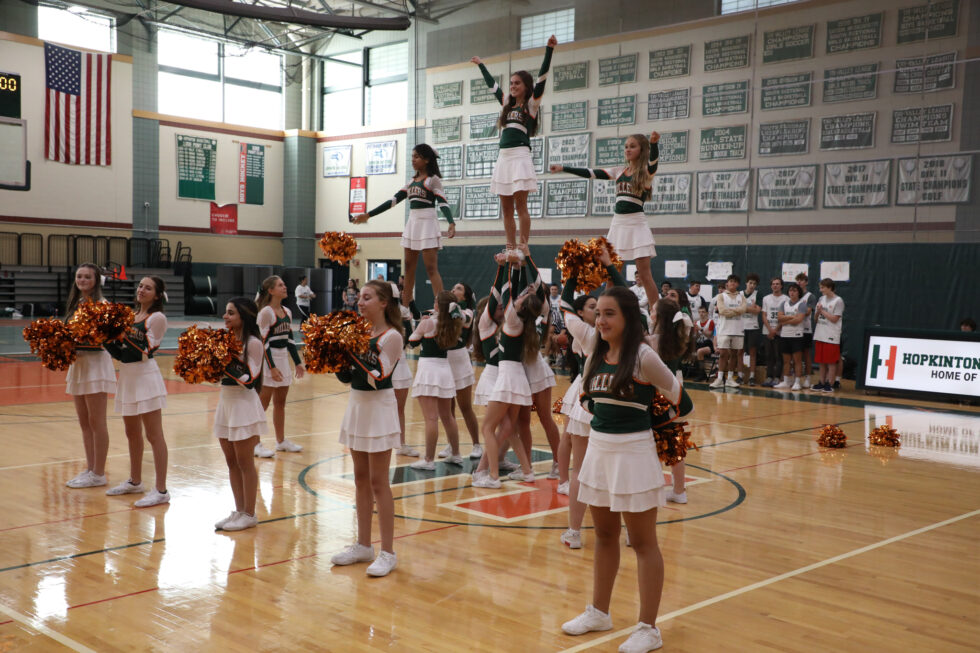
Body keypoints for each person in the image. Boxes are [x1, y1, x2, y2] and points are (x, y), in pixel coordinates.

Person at [560, 286, 680, 653]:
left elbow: (678, 399)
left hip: (634, 454)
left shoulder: (643, 356)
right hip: (599, 451)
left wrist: (654, 428)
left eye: (609, 313)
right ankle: (599, 611)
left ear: (628, 318)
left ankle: (649, 628)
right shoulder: (594, 353)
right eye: (599, 314)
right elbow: (589, 401)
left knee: (643, 543)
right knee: (605, 535)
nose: (601, 320)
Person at [329, 280, 404, 577]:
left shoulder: (392, 336)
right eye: (359, 297)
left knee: (378, 482)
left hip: (379, 408)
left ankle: (387, 551)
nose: (359, 302)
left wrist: (351, 349)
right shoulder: (361, 333)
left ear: (384, 302)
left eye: (367, 297)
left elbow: (380, 375)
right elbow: (349, 379)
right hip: (357, 405)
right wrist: (335, 356)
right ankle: (363, 545)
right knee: (360, 479)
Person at [550, 131, 662, 307]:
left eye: (632, 146)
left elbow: (654, 163)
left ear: (642, 149)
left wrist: (654, 144)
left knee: (645, 274)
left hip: (637, 223)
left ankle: (658, 314)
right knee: (610, 274)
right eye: (626, 146)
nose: (628, 149)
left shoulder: (646, 172)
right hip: (618, 224)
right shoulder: (619, 171)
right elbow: (592, 173)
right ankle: (603, 310)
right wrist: (564, 168)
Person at [472, 35, 557, 252]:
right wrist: (482, 65)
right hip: (504, 158)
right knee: (506, 208)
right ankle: (510, 246)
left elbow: (542, 78)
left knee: (521, 206)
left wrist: (549, 50)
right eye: (511, 83)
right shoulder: (506, 105)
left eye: (517, 83)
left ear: (526, 86)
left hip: (520, 156)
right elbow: (492, 86)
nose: (512, 86)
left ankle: (523, 244)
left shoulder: (531, 105)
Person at [353, 144, 456, 310]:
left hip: (428, 221)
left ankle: (440, 307)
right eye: (412, 156)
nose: (413, 159)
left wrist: (451, 222)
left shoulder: (433, 180)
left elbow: (443, 202)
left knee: (431, 268)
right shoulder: (410, 182)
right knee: (409, 267)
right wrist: (368, 215)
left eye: (416, 156)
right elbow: (392, 201)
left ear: (427, 159)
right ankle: (405, 308)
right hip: (413, 222)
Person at [104, 276, 170, 507]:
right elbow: (123, 354)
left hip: (146, 377)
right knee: (131, 432)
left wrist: (121, 333)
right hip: (128, 376)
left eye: (148, 288)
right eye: (141, 286)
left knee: (154, 434)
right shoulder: (131, 316)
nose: (142, 290)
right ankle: (135, 482)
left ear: (157, 295)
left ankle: (161, 490)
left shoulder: (157, 317)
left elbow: (146, 349)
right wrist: (106, 337)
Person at [476, 253, 540, 487]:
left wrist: (507, 267)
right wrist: (520, 265)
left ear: (519, 308)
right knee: (508, 428)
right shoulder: (525, 322)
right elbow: (515, 294)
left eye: (519, 302)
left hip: (506, 379)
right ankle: (527, 471)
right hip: (516, 379)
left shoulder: (512, 320)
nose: (514, 303)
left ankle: (492, 476)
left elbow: (506, 291)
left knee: (487, 427)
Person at [213, 297, 267, 532]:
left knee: (245, 463)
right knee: (231, 462)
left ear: (244, 316)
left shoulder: (254, 343)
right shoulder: (224, 340)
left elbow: (250, 379)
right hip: (226, 402)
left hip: (244, 405)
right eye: (226, 312)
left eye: (231, 313)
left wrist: (225, 360)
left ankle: (250, 513)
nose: (226, 316)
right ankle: (238, 510)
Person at [64, 263, 116, 489]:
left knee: (97, 422)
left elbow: (106, 339)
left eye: (87, 277)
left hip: (96, 364)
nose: (82, 280)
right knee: (84, 422)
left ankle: (99, 473)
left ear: (96, 281)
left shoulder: (102, 305)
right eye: (79, 276)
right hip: (79, 364)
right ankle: (90, 468)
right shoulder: (77, 303)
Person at [407, 290, 464, 469]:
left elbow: (412, 342)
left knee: (431, 418)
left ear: (440, 305)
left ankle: (429, 460)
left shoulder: (428, 323)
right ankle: (456, 454)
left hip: (428, 370)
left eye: (436, 301)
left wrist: (420, 324)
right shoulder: (454, 322)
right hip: (444, 370)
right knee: (447, 417)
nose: (434, 303)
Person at [255, 276, 305, 457]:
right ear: (270, 291)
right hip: (269, 360)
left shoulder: (288, 311)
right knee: (263, 404)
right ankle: (255, 443)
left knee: (280, 403)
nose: (285, 287)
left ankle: (281, 441)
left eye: (284, 284)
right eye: (280, 285)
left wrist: (298, 362)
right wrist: (272, 367)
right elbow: (263, 342)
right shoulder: (265, 313)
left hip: (283, 358)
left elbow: (290, 340)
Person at [441, 282, 483, 460]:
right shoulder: (445, 310)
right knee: (447, 409)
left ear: (465, 296)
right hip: (444, 360)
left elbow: (462, 319)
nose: (453, 290)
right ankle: (452, 444)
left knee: (465, 407)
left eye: (458, 288)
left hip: (459, 360)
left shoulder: (468, 312)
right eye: (453, 288)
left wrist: (452, 308)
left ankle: (476, 445)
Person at [709, 274, 746, 389]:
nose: (733, 283)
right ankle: (719, 378)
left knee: (734, 354)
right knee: (723, 354)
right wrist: (736, 311)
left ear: (738, 284)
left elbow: (743, 309)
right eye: (731, 281)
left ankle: (730, 378)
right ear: (727, 283)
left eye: (735, 282)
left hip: (738, 330)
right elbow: (722, 310)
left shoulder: (742, 297)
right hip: (724, 329)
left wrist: (730, 311)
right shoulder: (721, 296)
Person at [392, 302, 419, 457]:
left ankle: (401, 444)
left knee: (399, 408)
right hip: (382, 367)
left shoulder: (401, 317)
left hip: (400, 364)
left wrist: (406, 320)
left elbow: (410, 343)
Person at [812, 279, 844, 393]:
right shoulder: (821, 299)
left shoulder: (838, 301)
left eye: (823, 288)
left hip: (831, 335)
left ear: (829, 288)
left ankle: (830, 384)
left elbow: (835, 319)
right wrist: (817, 312)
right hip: (820, 333)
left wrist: (822, 311)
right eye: (820, 287)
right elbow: (815, 319)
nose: (820, 290)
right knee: (821, 361)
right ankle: (821, 382)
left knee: (831, 362)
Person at [775, 283, 807, 390]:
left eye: (794, 290)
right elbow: (779, 318)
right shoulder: (783, 304)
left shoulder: (802, 304)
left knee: (797, 360)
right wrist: (792, 317)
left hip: (797, 336)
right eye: (790, 291)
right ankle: (786, 381)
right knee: (786, 360)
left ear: (799, 292)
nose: (792, 292)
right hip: (785, 335)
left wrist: (785, 319)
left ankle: (797, 382)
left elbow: (799, 320)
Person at [761, 277, 786, 387]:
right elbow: (764, 315)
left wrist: (776, 329)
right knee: (768, 355)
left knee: (778, 356)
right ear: (771, 286)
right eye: (773, 284)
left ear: (781, 286)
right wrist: (770, 329)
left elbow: (785, 316)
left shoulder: (786, 299)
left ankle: (777, 378)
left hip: (780, 331)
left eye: (777, 284)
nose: (775, 286)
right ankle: (769, 376)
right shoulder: (766, 298)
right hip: (767, 330)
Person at [740, 273, 763, 386]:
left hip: (753, 326)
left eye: (754, 283)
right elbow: (737, 310)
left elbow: (757, 311)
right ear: (746, 283)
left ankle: (752, 377)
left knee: (753, 352)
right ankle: (739, 375)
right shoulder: (739, 294)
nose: (752, 285)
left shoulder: (758, 294)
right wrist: (750, 308)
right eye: (750, 283)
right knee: (740, 352)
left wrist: (744, 309)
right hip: (740, 327)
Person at [796, 272, 817, 389]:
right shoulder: (793, 294)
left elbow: (808, 312)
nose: (799, 282)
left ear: (806, 282)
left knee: (806, 355)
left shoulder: (810, 296)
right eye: (798, 280)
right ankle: (796, 379)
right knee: (796, 356)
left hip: (806, 329)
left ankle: (808, 378)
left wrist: (796, 313)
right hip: (794, 329)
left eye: (802, 280)